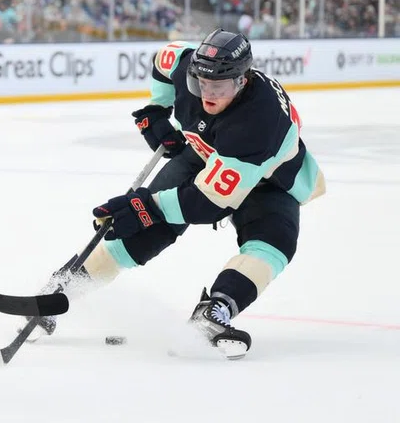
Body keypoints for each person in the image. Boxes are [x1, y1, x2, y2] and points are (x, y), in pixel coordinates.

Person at [30, 29, 325, 359]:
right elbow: (163, 59)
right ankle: (60, 289)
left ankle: (215, 311)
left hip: (269, 181)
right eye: (200, 83)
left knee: (273, 242)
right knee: (141, 231)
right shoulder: (189, 65)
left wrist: (145, 206)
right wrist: (156, 110)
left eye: (220, 87)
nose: (207, 95)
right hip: (204, 156)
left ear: (242, 81)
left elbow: (208, 203)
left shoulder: (259, 123)